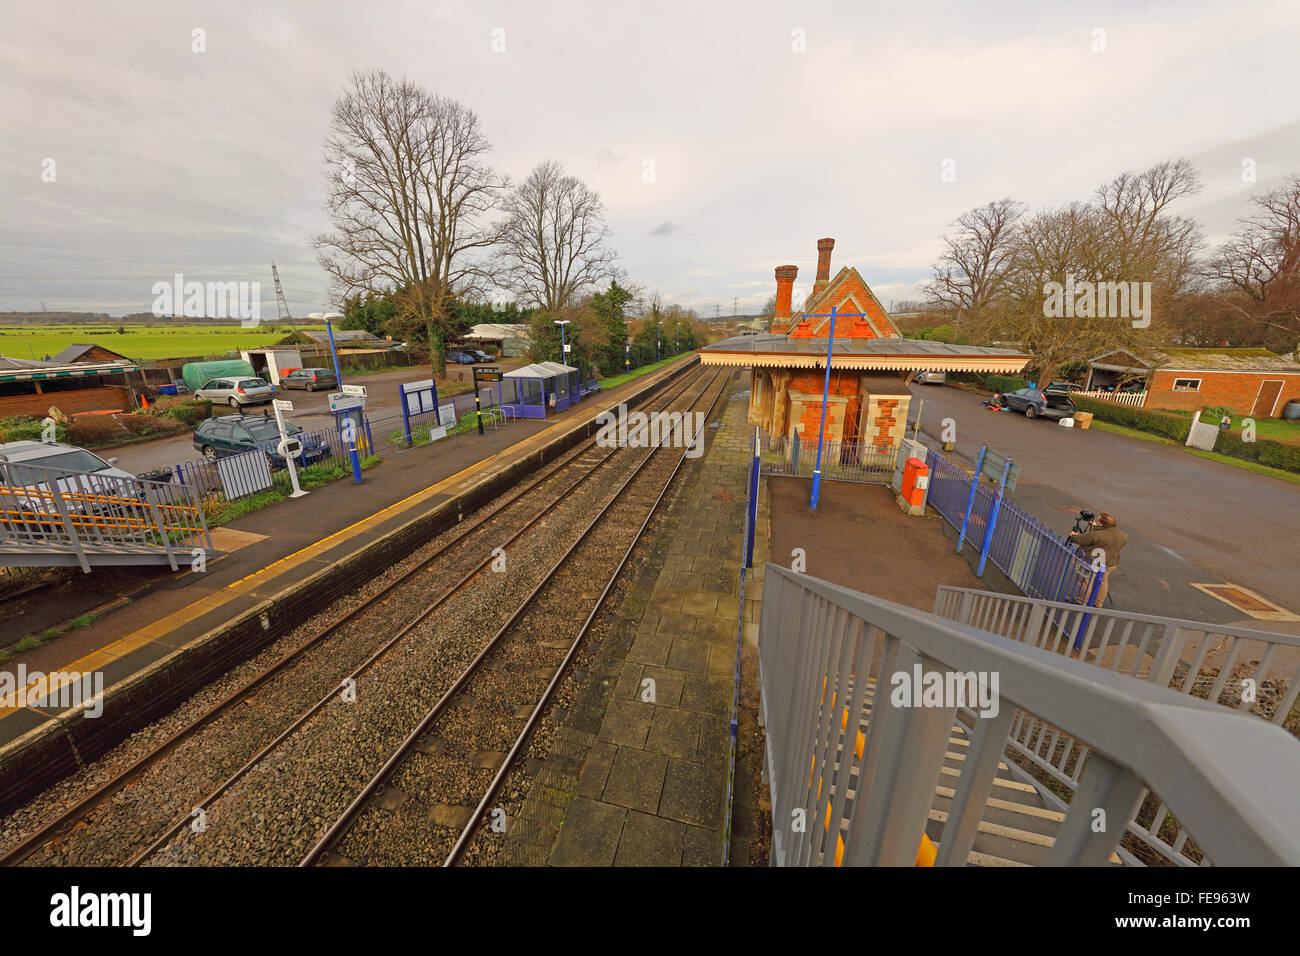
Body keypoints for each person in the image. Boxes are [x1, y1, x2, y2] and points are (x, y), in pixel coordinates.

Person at [1070, 512, 1127, 606]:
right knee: (1102, 581)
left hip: (1093, 562)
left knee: (1085, 580)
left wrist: (1073, 536)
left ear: (1102, 524)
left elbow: (1081, 540)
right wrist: (1095, 527)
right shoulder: (1123, 535)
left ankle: (1082, 601)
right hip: (1110, 562)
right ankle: (1098, 603)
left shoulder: (1096, 535)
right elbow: (1105, 536)